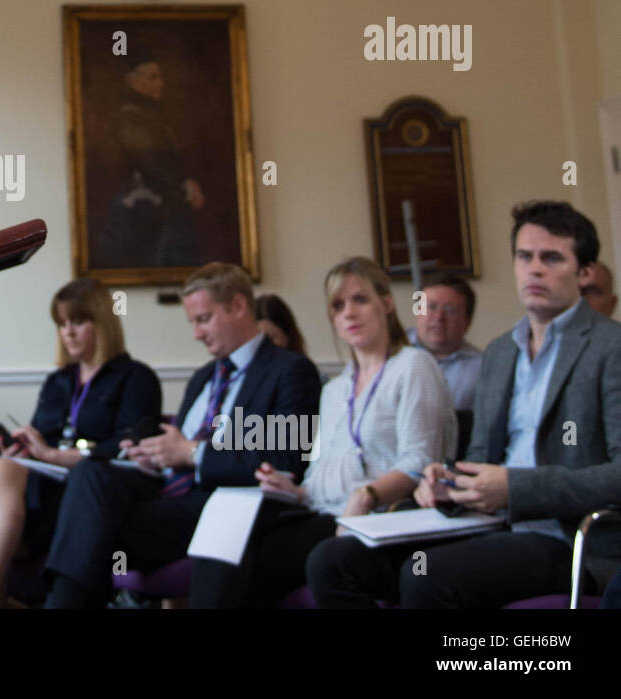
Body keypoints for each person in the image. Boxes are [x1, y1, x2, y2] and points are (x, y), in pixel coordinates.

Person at [307, 201, 621, 608]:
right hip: (485, 524)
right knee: (332, 561)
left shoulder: (610, 346)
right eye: (524, 256)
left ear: (583, 272)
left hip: (564, 536)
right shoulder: (499, 353)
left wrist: (515, 488)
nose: (534, 269)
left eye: (551, 258)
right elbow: (479, 459)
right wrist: (445, 480)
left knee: (427, 577)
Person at [41, 262, 321, 608]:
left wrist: (192, 453)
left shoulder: (290, 371)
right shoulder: (203, 377)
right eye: (192, 322)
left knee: (88, 531)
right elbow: (175, 450)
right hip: (171, 497)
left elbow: (285, 461)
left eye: (203, 319)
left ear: (238, 306)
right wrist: (153, 453)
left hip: (225, 504)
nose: (196, 334)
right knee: (90, 476)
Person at [188, 258, 455, 608]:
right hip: (326, 513)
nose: (349, 313)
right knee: (230, 535)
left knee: (247, 564)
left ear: (387, 304)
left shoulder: (413, 366)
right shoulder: (335, 388)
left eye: (360, 299)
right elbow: (320, 473)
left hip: (386, 518)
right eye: (338, 305)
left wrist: (366, 495)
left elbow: (420, 461)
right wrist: (294, 490)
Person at [0, 279, 161, 608]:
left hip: (88, 497)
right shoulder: (58, 381)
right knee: (0, 467)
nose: (69, 332)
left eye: (78, 322)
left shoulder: (136, 378)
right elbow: (42, 437)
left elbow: (127, 449)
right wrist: (24, 450)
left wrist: (54, 454)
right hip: (39, 494)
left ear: (103, 323)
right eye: (62, 324)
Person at [94, 58, 205, 269]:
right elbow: (152, 163)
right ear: (131, 80)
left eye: (160, 77)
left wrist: (187, 181)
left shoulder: (153, 116)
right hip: (142, 211)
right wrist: (184, 185)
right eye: (152, 77)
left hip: (165, 208)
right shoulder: (130, 118)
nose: (160, 83)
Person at [407, 272, 483, 411]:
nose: (438, 318)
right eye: (431, 307)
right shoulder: (390, 351)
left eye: (450, 310)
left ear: (468, 322)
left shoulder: (482, 368)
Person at [255, 293, 309, 358]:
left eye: (272, 337)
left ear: (288, 335)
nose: (264, 344)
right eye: (258, 338)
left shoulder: (300, 366)